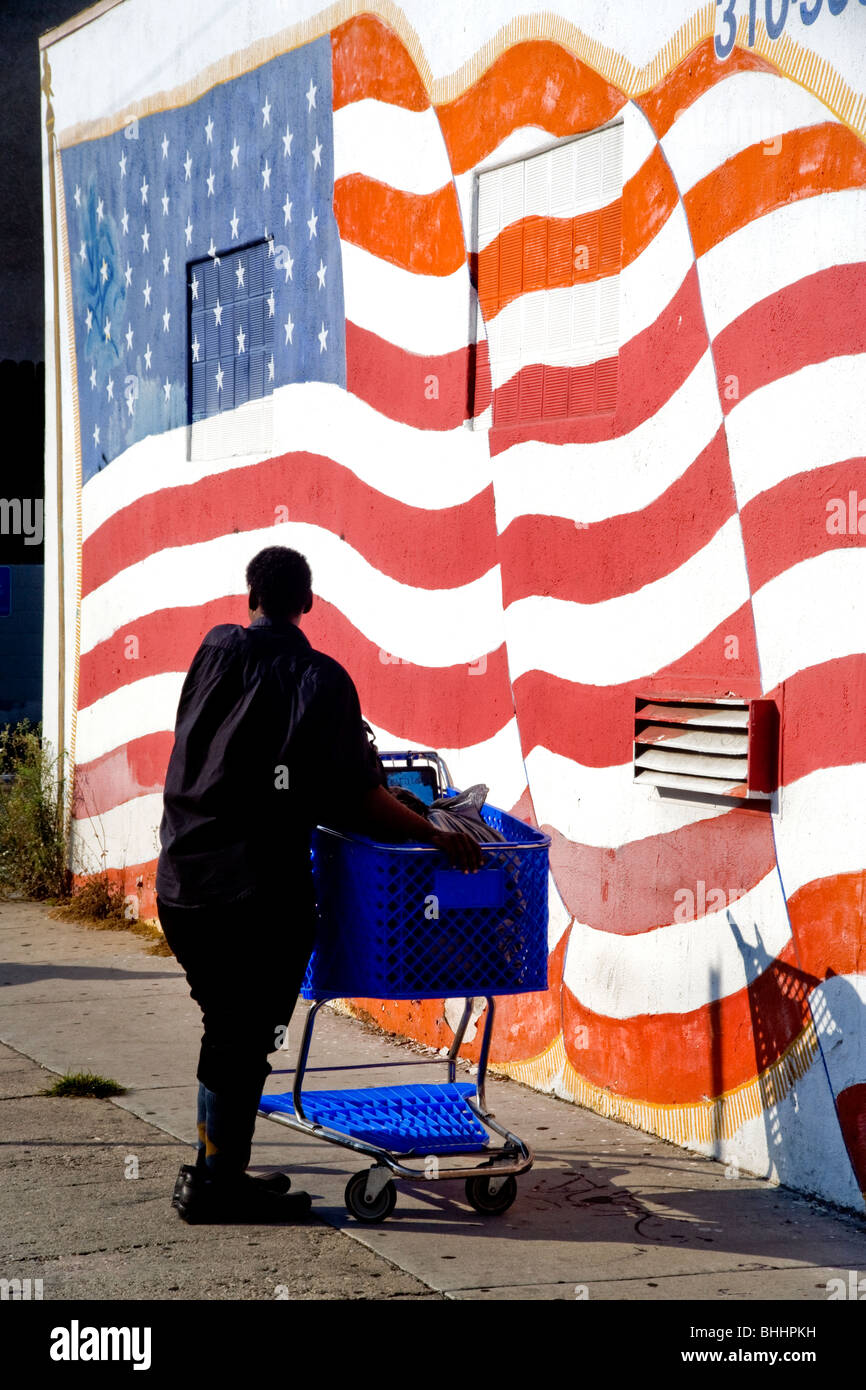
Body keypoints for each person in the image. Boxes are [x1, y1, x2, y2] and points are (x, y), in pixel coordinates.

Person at [156, 545, 481, 1223]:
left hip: (183, 882)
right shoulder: (321, 679)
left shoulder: (214, 650)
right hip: (255, 897)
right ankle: (216, 1185)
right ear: (308, 602)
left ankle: (222, 1172)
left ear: (251, 596)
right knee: (239, 1035)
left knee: (230, 1030)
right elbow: (356, 799)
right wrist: (435, 831)